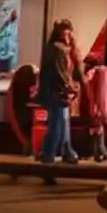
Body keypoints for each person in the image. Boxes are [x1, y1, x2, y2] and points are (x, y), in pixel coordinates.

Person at [37, 19, 82, 165]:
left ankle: (67, 152)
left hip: (55, 91)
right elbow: (61, 72)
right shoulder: (58, 50)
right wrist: (70, 86)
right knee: (58, 124)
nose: (69, 36)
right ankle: (48, 154)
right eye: (67, 32)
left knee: (62, 122)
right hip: (57, 92)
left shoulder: (55, 48)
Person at [83, 52, 107, 163]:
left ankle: (103, 152)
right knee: (97, 129)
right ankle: (97, 153)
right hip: (103, 105)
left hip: (95, 105)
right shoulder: (105, 72)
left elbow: (85, 80)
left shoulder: (93, 72)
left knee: (96, 129)